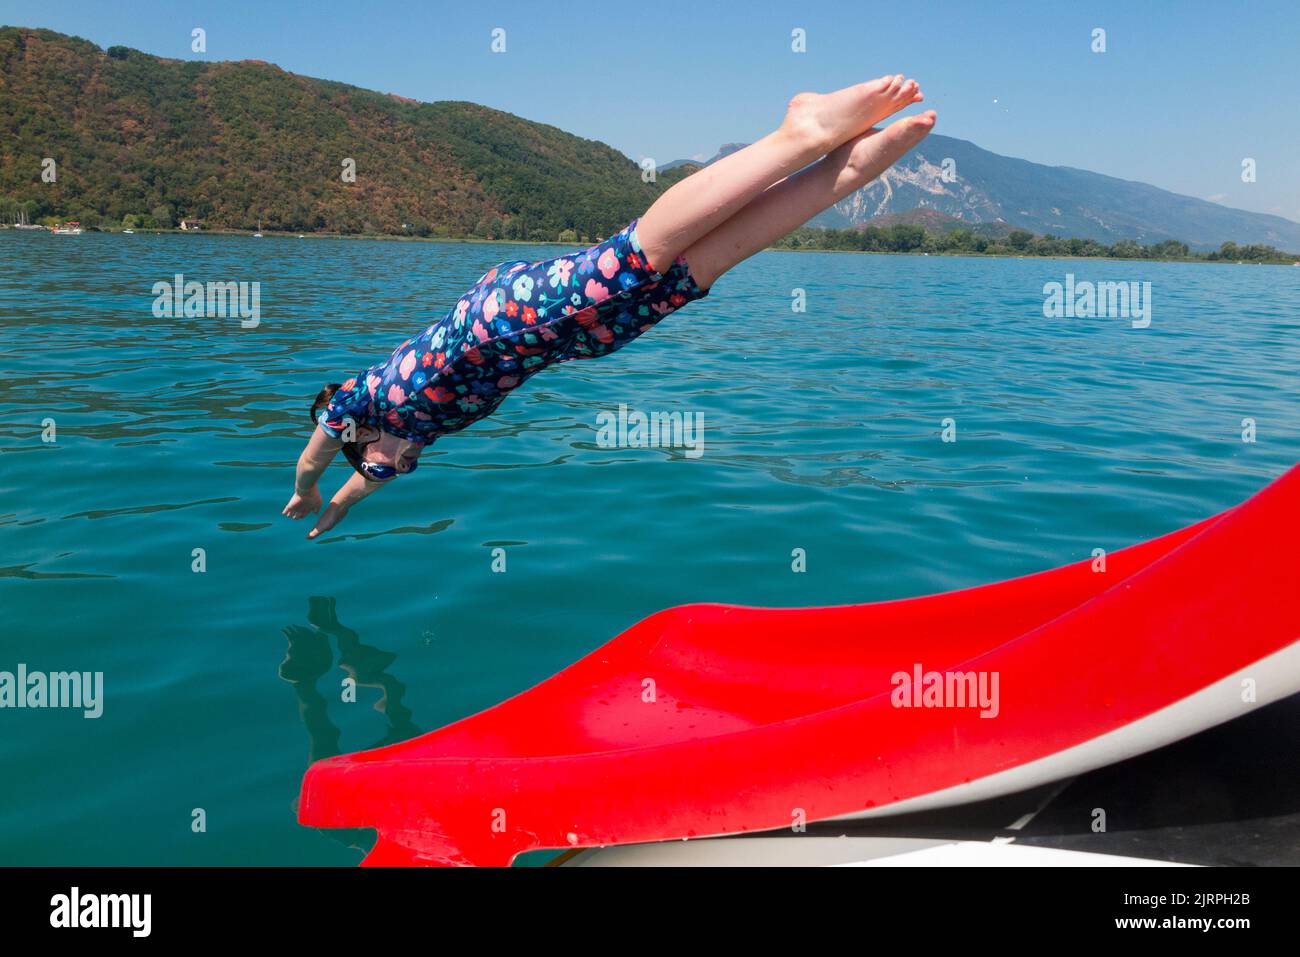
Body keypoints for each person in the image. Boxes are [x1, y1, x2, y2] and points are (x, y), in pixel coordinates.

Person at [284, 76, 934, 538]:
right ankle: (854, 166)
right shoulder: (406, 441)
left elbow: (322, 445)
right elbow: (362, 479)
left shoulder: (361, 401)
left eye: (372, 457)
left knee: (637, 255)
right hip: (567, 339)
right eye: (381, 466)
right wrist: (334, 508)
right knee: (698, 267)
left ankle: (799, 133)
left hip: (508, 316)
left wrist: (304, 486)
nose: (385, 466)